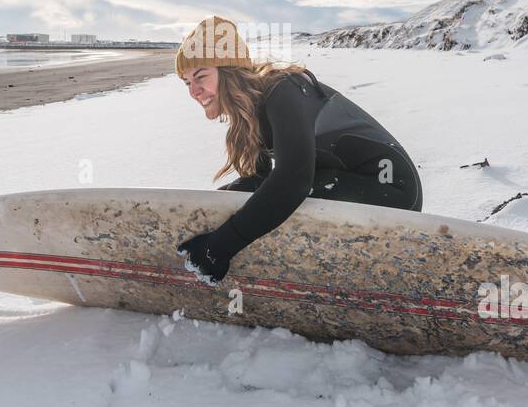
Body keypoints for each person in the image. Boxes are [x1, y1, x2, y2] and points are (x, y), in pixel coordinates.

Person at [174, 15, 423, 285]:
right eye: (187, 82)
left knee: (288, 192)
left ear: (230, 70)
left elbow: (293, 180)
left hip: (394, 190)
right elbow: (258, 181)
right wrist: (211, 206)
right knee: (269, 195)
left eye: (200, 76)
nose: (194, 91)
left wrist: (220, 246)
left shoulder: (283, 89)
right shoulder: (251, 110)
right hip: (341, 186)